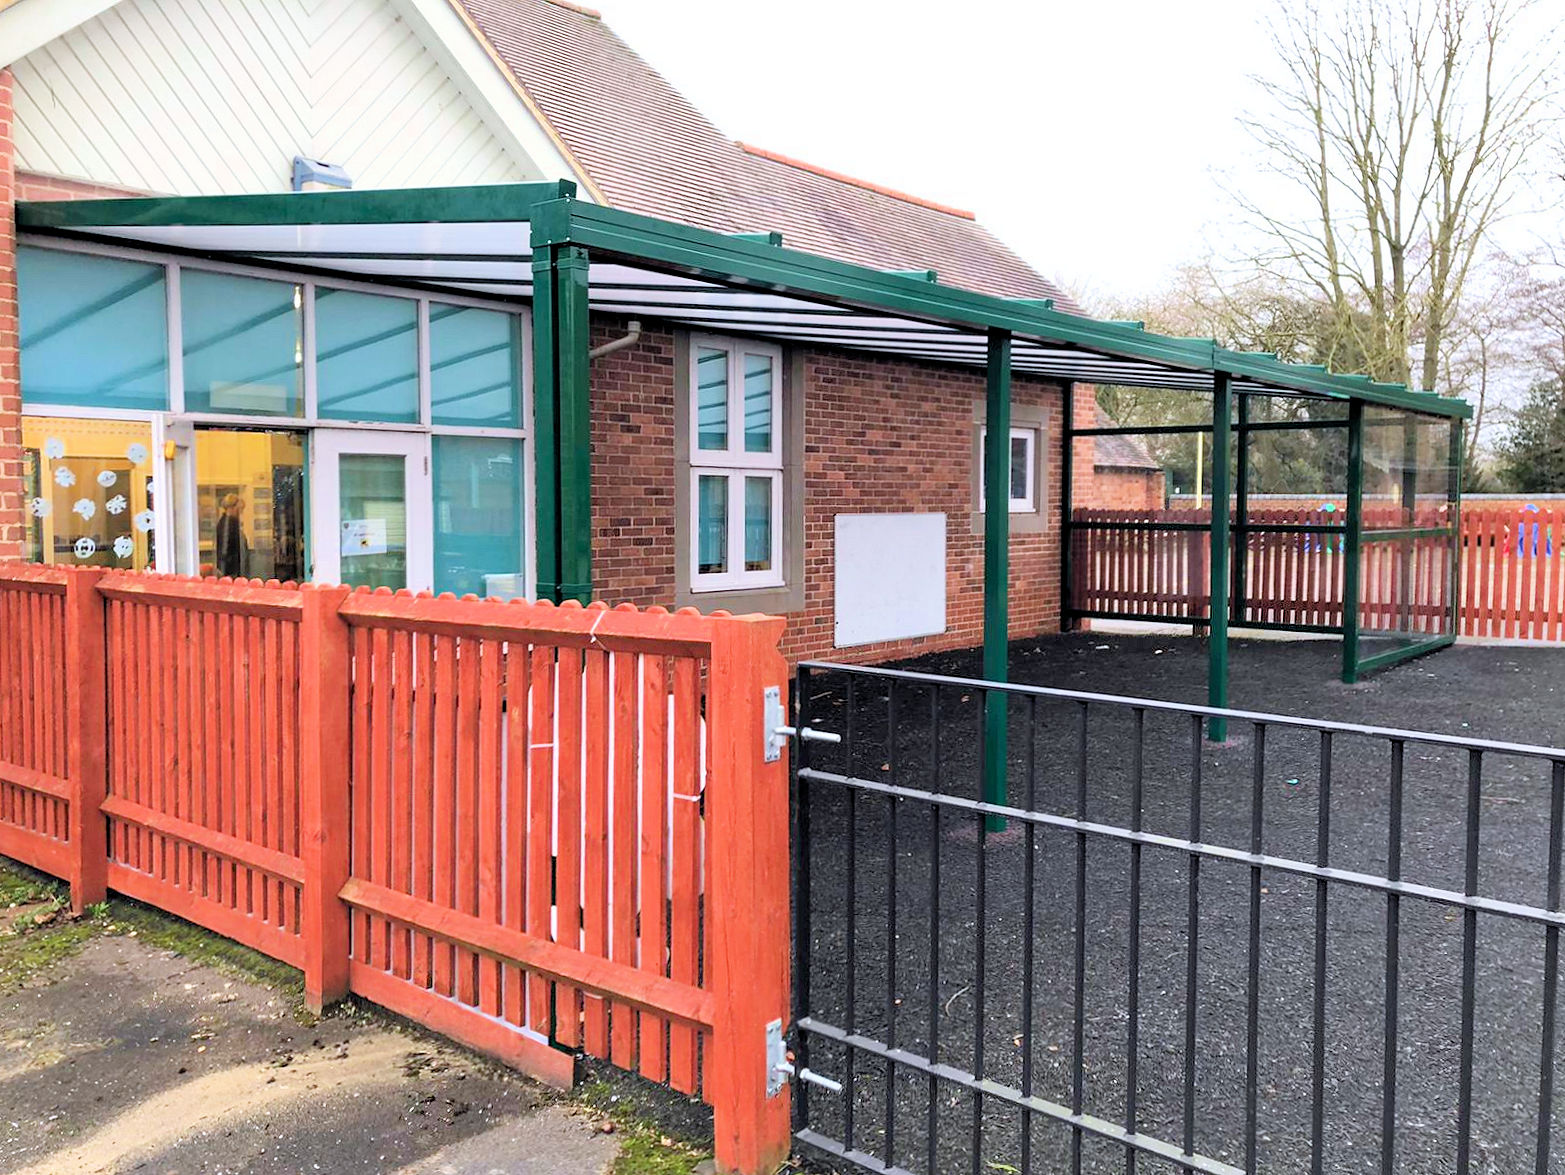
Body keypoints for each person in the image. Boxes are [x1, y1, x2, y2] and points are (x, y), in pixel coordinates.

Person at [215, 492, 250, 578]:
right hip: (231, 569)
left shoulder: (227, 523)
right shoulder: (228, 524)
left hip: (232, 567)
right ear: (232, 508)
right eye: (239, 509)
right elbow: (225, 548)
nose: (240, 513)